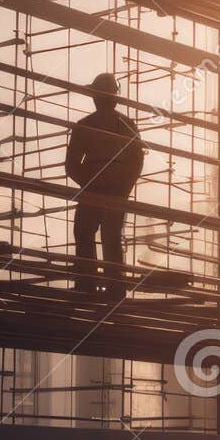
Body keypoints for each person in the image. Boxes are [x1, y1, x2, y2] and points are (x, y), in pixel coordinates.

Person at [65, 73, 145, 297]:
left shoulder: (87, 126)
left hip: (97, 189)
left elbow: (72, 165)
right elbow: (136, 163)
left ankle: (89, 285)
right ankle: (112, 288)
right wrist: (121, 187)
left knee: (87, 233)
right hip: (109, 190)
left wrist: (94, 183)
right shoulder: (126, 126)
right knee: (107, 236)